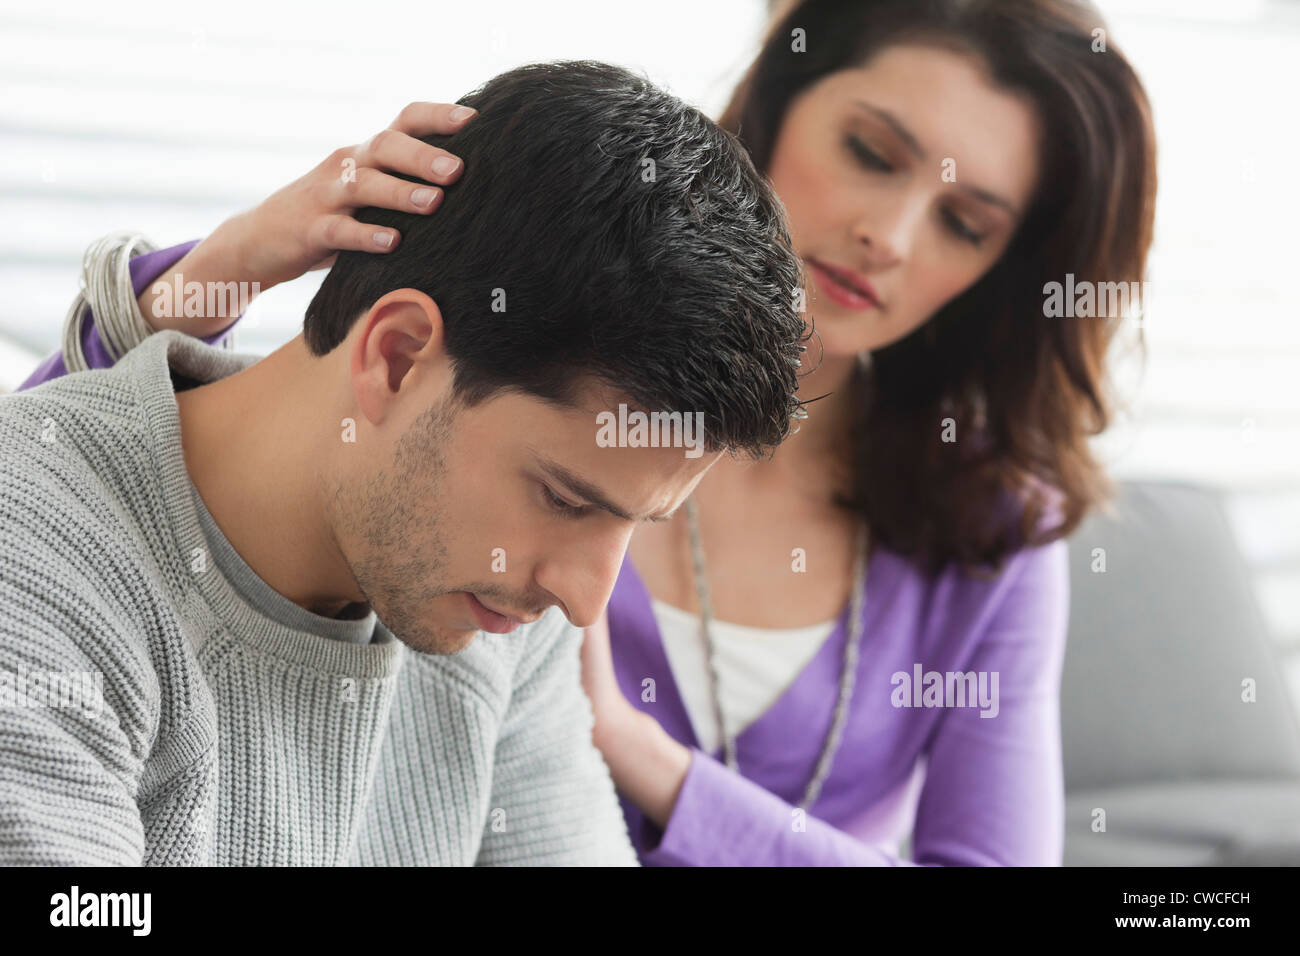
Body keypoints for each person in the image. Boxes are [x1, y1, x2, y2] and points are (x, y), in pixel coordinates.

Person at [24, 0, 1158, 867]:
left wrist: (645, 756)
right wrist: (209, 273)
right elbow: (64, 497)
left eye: (965, 221)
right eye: (871, 151)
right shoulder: (97, 549)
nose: (889, 236)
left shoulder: (505, 601)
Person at [0, 60, 808, 865]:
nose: (587, 600)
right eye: (566, 500)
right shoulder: (39, 557)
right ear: (395, 356)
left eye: (636, 522)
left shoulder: (493, 612)